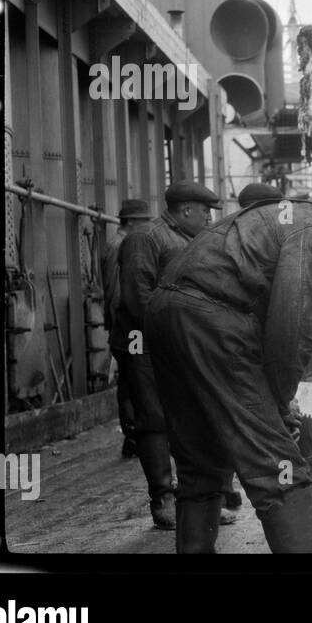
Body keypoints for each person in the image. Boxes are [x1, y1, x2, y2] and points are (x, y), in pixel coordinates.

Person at [144, 161, 312, 553]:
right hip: (210, 319)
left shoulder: (290, 216)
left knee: (202, 465)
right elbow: (293, 324)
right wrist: (280, 402)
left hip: (168, 315)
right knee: (279, 468)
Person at [117, 180, 223, 529]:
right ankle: (163, 499)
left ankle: (198, 501)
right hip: (144, 341)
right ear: (187, 210)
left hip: (181, 341)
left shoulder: (192, 240)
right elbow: (137, 298)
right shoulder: (145, 238)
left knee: (192, 418)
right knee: (154, 417)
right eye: (204, 210)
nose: (209, 217)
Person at [101, 199, 155, 459]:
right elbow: (115, 291)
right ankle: (133, 436)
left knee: (134, 380)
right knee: (132, 381)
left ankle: (135, 434)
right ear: (131, 221)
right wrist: (116, 327)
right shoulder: (119, 245)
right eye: (145, 221)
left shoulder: (125, 243)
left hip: (127, 324)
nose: (148, 226)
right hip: (128, 326)